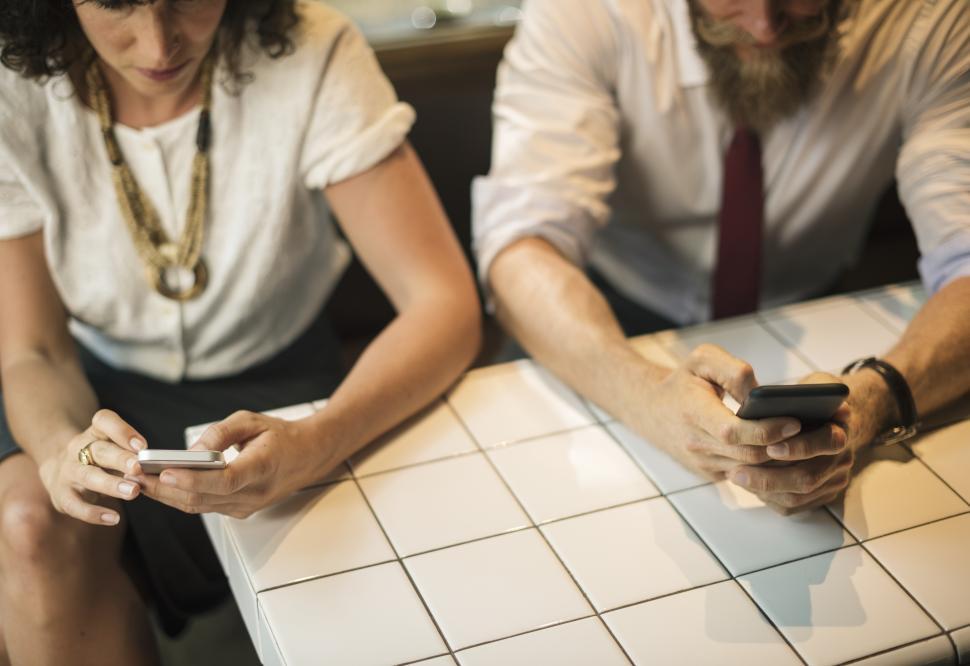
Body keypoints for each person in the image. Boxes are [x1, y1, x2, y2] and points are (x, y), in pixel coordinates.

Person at [0, 1, 481, 663]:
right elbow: (33, 350)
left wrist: (319, 440)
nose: (158, 43)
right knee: (27, 526)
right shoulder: (12, 85)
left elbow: (444, 302)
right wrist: (59, 451)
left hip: (279, 378)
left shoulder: (310, 48)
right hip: (94, 380)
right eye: (115, 3)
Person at [473, 0, 970, 514]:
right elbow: (523, 245)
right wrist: (647, 399)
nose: (765, 27)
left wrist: (869, 402)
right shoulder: (587, 11)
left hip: (812, 309)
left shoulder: (927, 15)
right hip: (607, 316)